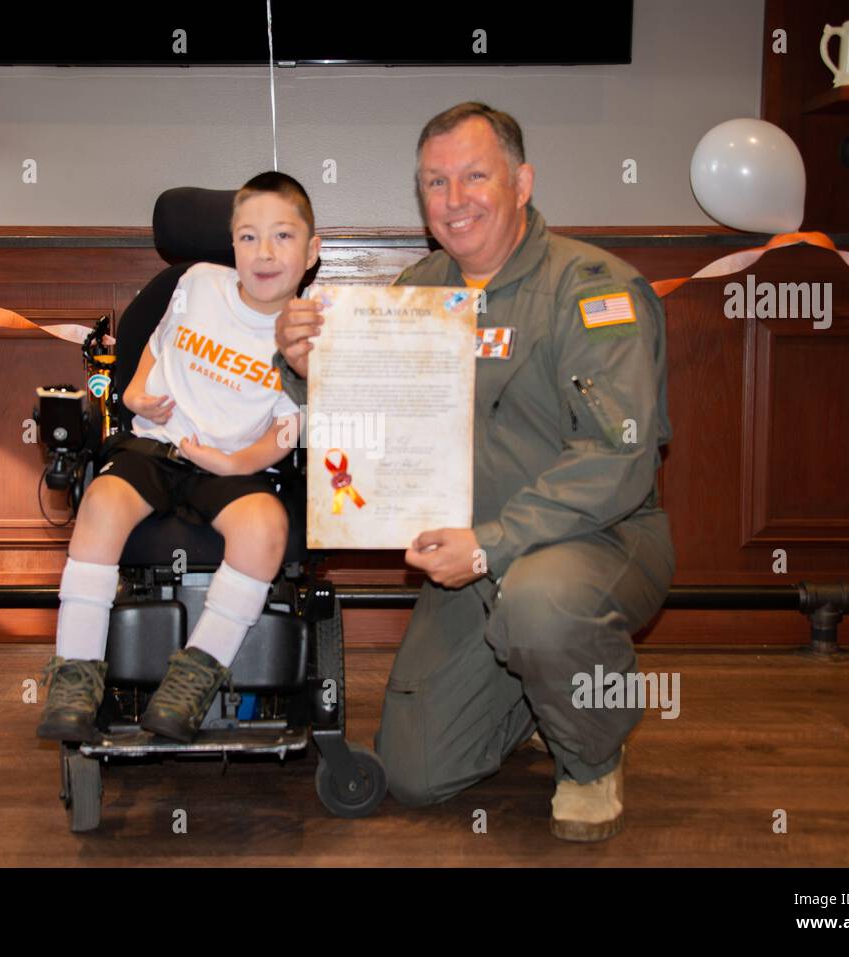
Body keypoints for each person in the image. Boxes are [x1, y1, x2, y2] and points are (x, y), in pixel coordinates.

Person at [273, 103, 675, 841]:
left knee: (539, 607)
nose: (453, 201)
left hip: (595, 546)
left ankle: (591, 755)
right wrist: (307, 371)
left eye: (473, 177)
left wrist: (492, 541)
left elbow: (618, 460)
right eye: (434, 182)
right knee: (416, 773)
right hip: (470, 562)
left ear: (522, 183)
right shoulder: (418, 289)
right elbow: (369, 425)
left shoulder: (593, 290)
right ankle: (539, 693)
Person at [37, 171, 319, 744]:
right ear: (230, 243)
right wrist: (136, 391)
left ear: (312, 252)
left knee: (265, 528)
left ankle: (195, 676)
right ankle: (75, 674)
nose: (264, 253)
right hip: (157, 445)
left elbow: (288, 432)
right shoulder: (198, 282)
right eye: (248, 237)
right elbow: (156, 349)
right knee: (100, 505)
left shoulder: (309, 332)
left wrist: (232, 463)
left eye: (283, 237)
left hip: (237, 460)